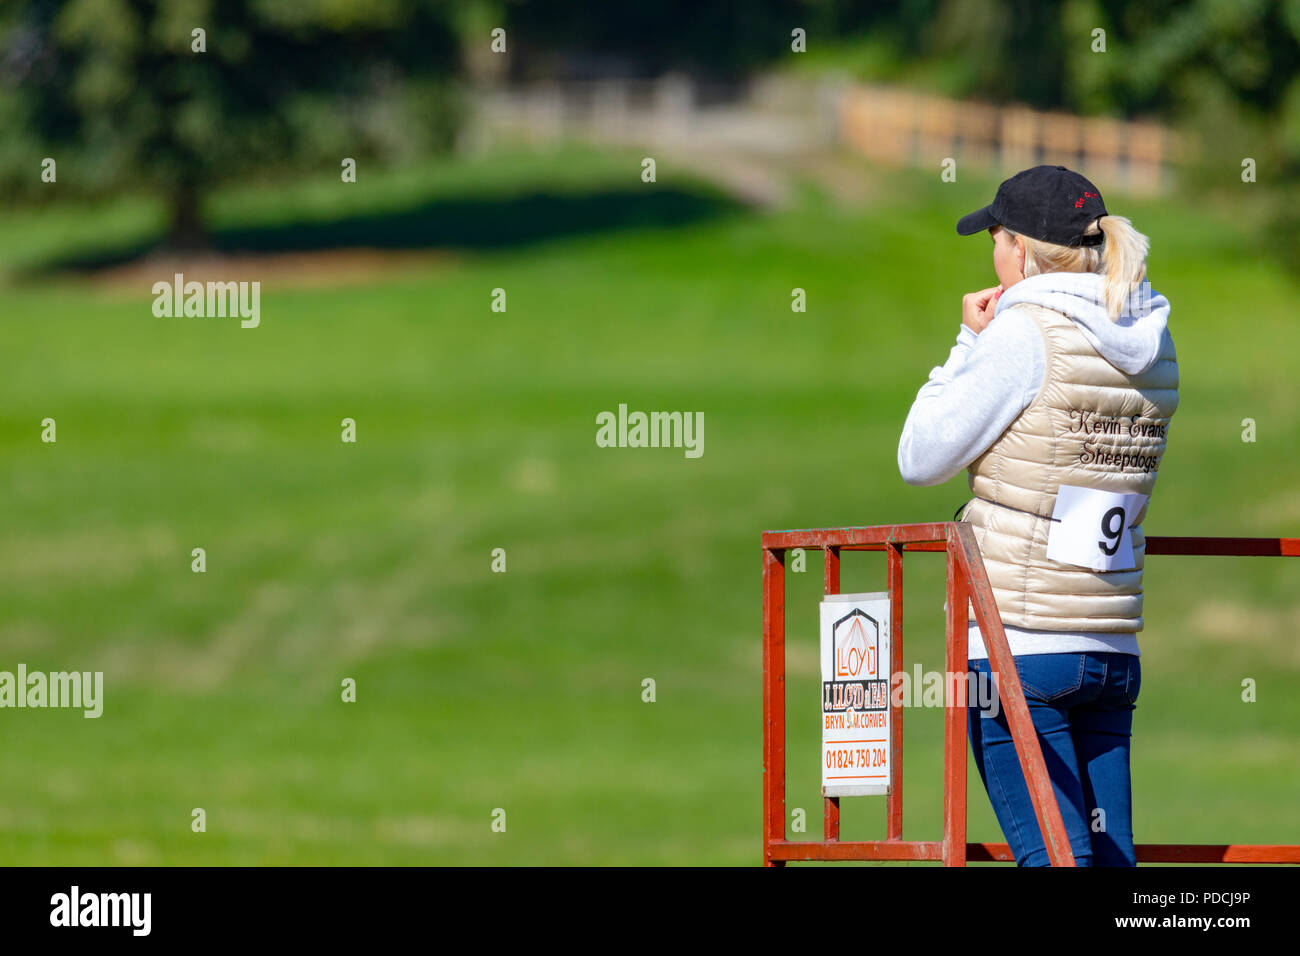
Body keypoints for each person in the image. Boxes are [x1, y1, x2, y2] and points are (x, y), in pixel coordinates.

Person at [896, 165, 1179, 866]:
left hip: (1018, 644)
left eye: (995, 236)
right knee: (1112, 865)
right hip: (1111, 644)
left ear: (1019, 250)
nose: (992, 253)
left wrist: (967, 344)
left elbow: (920, 456)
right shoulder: (1151, 336)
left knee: (1054, 861)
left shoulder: (1025, 334)